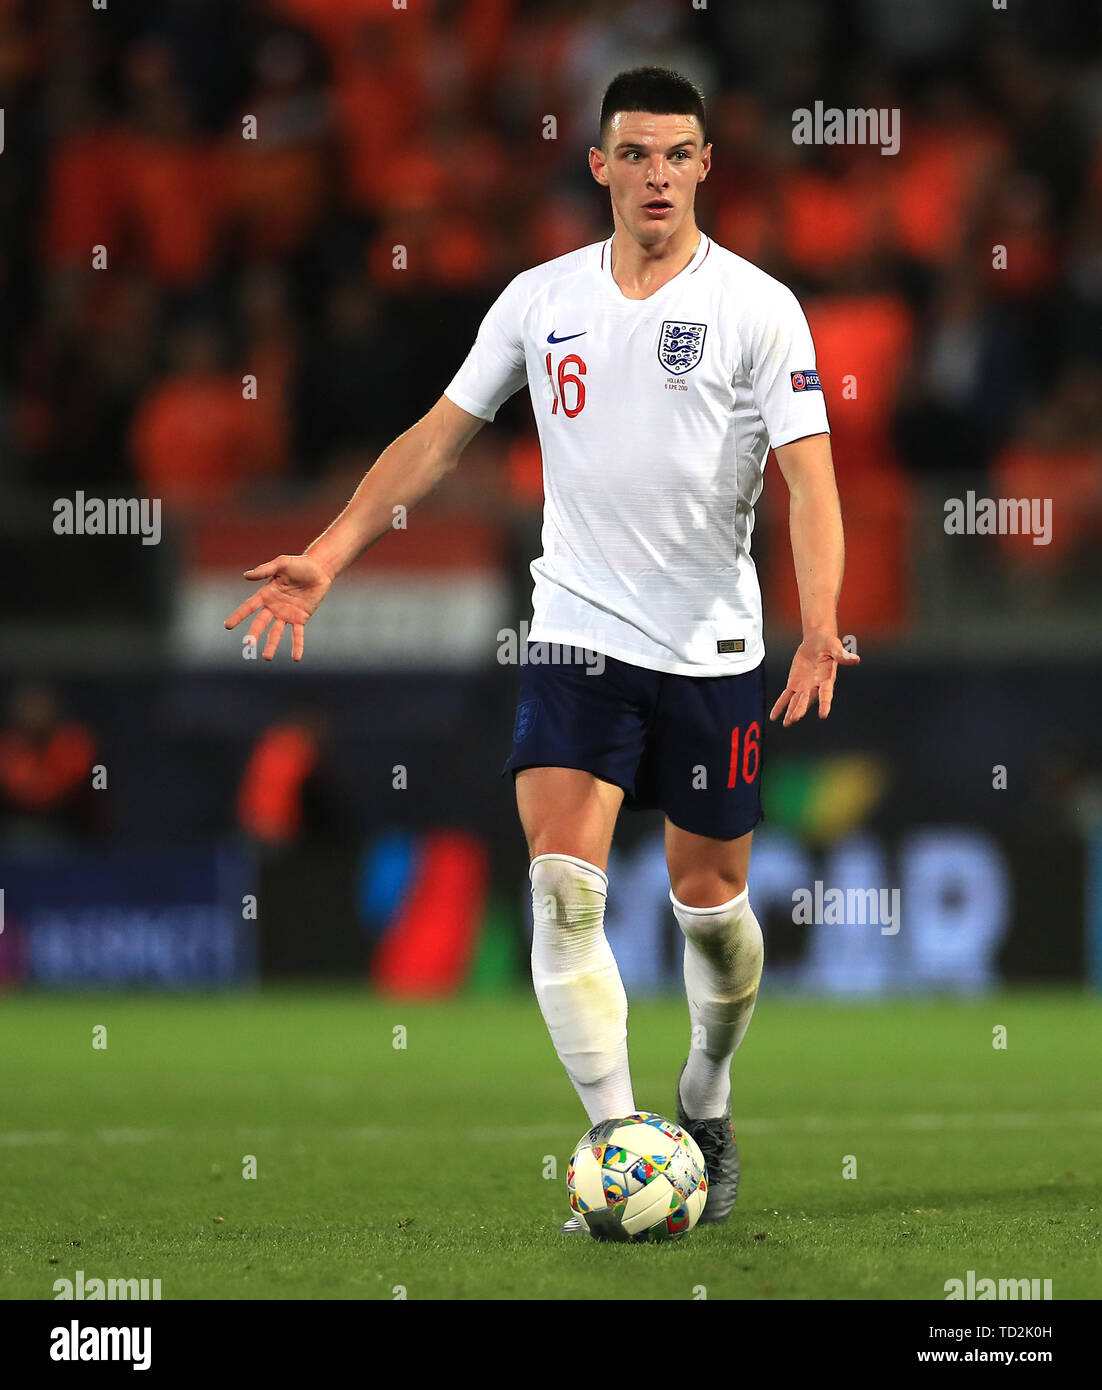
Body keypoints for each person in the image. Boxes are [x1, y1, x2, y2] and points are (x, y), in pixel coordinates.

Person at [224, 66, 859, 1233]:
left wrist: (818, 619)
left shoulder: (760, 308)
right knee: (562, 894)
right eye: (637, 152)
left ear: (706, 166)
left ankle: (704, 1099)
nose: (657, 173)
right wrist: (329, 548)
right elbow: (438, 436)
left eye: (678, 153)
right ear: (599, 166)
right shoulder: (537, 300)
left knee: (708, 906)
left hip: (713, 647)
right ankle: (619, 1145)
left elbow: (809, 480)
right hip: (573, 632)